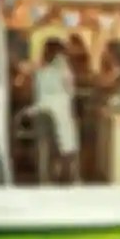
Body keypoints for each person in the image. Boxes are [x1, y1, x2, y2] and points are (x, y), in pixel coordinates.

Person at [34, 38, 79, 182]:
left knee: (45, 146)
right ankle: (66, 176)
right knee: (66, 144)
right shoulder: (63, 66)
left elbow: (35, 92)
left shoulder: (40, 68)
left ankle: (45, 177)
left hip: (41, 110)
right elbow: (70, 89)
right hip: (61, 109)